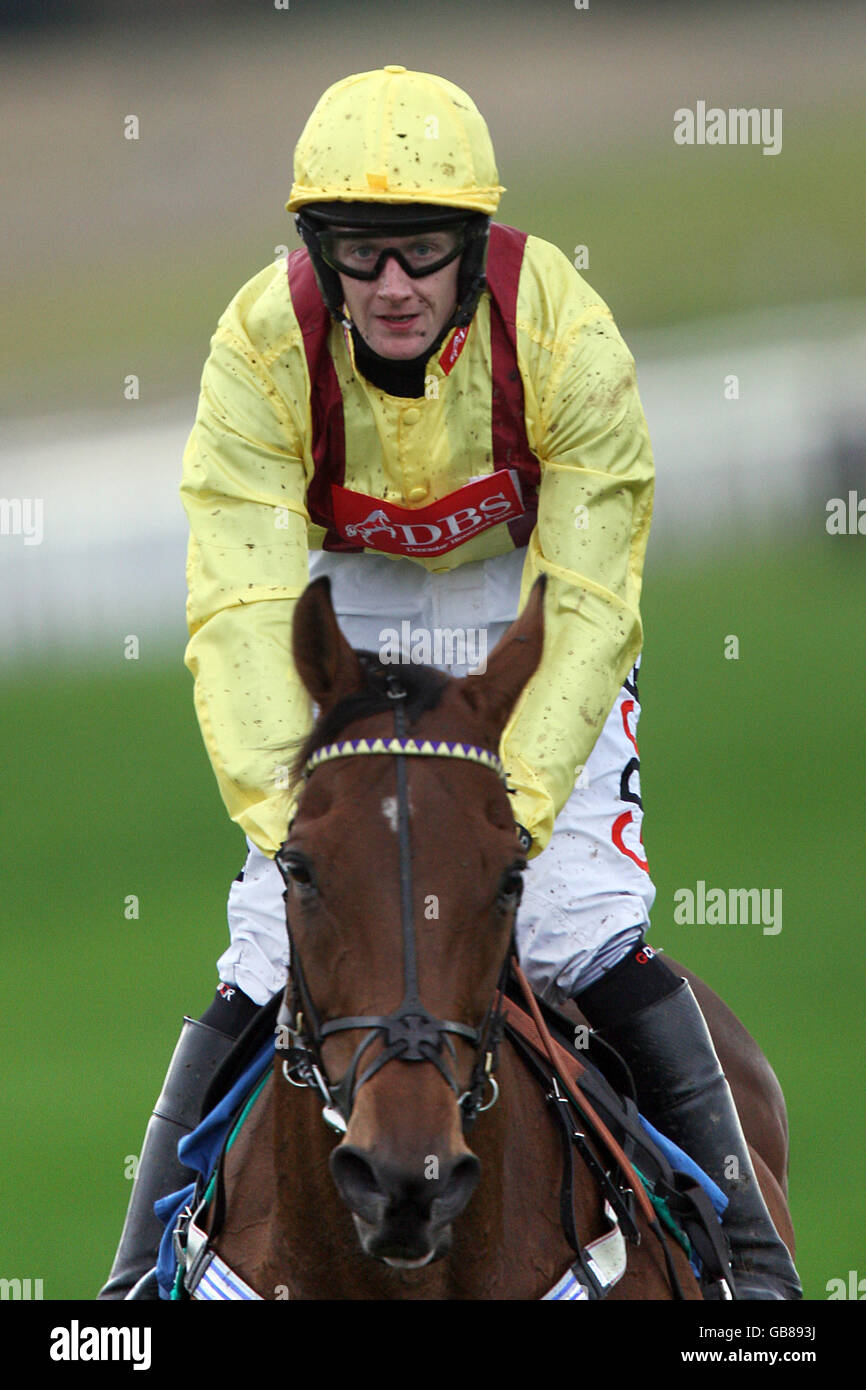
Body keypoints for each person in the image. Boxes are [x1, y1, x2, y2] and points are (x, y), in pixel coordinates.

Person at [99, 65, 801, 1300]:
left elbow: (588, 596)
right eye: (357, 257)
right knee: (268, 941)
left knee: (581, 920)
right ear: (315, 251)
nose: (391, 287)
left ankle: (750, 1269)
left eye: (421, 254)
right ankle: (131, 1284)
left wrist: (503, 814)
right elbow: (238, 602)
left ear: (474, 248)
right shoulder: (260, 343)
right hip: (342, 601)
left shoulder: (564, 331)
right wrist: (298, 831)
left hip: (518, 609)